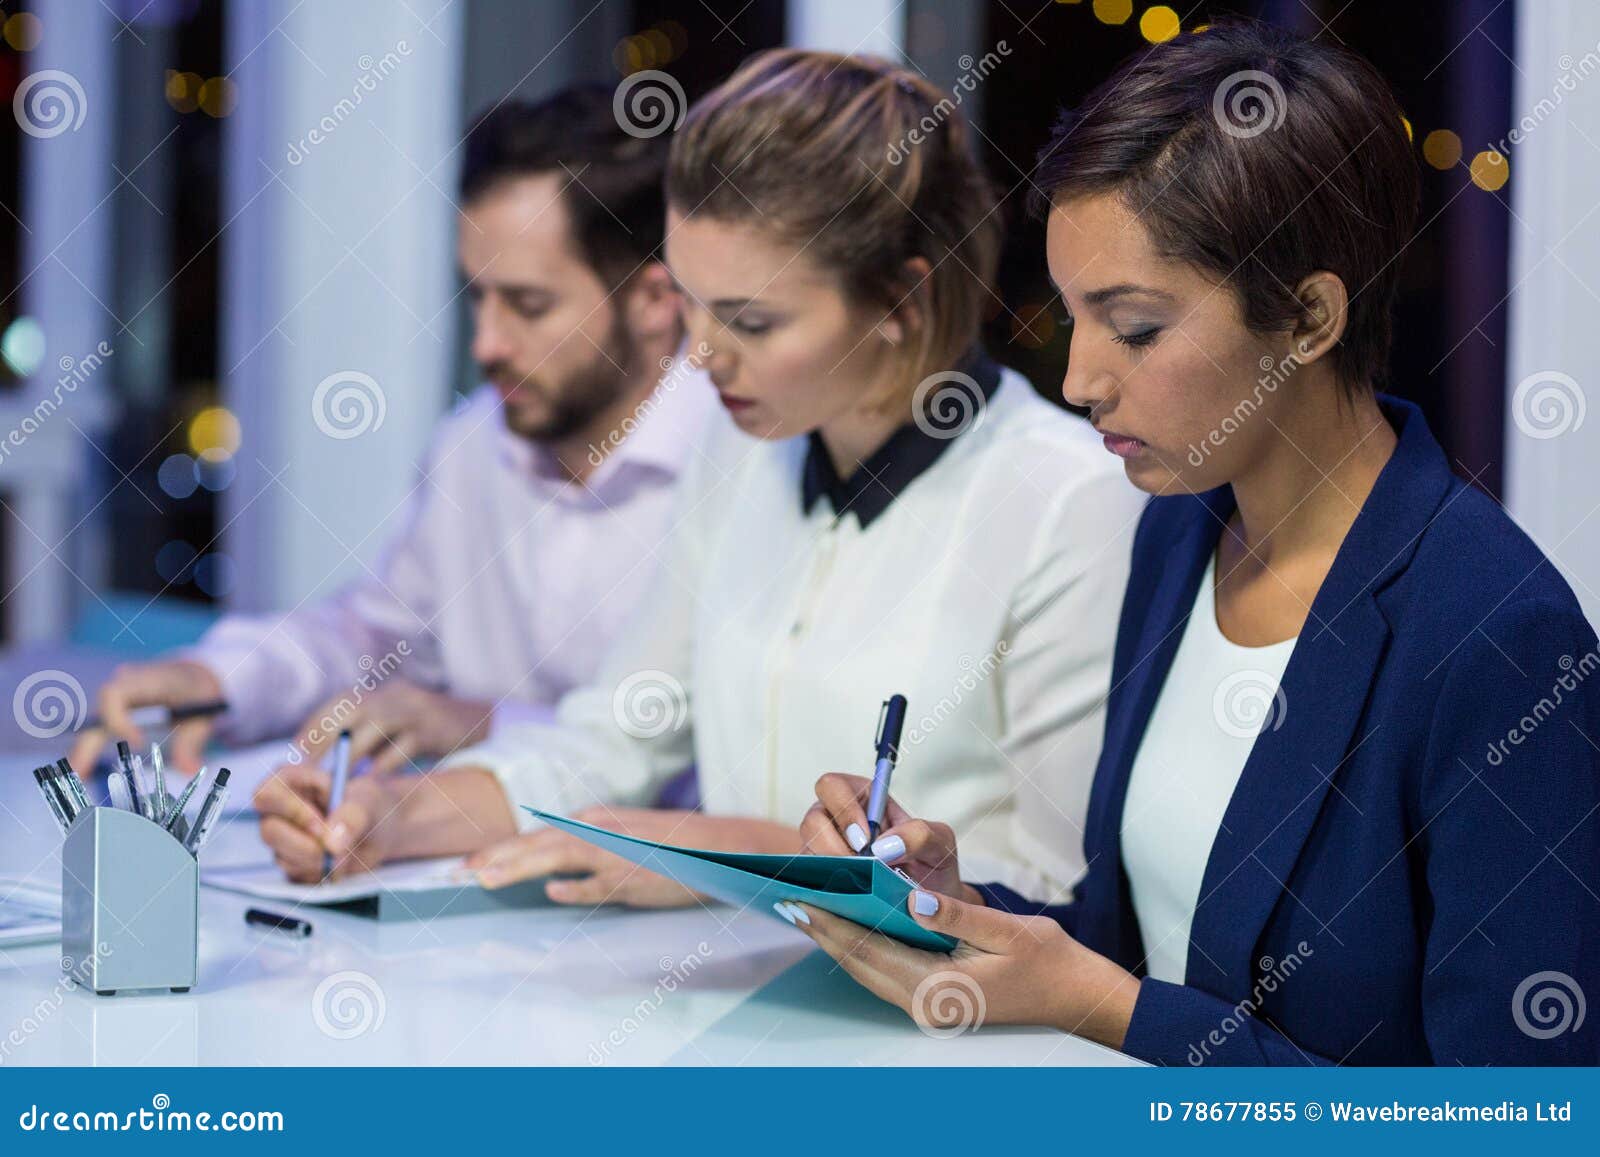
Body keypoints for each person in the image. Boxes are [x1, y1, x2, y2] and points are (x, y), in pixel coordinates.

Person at [791, 21, 1600, 1067]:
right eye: (1071, 316)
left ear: (1307, 318)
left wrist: (1108, 1008)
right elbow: (1152, 942)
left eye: (1133, 327)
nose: (1078, 379)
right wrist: (953, 903)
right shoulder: (1179, 531)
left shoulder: (1498, 635)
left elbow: (1521, 1120)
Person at [251, 50, 1142, 900]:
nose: (702, 354)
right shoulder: (741, 449)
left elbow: (1053, 894)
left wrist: (719, 853)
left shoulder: (1069, 500)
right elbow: (611, 739)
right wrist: (388, 816)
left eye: (750, 321)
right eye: (691, 303)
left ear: (900, 303)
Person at [68, 87, 712, 778]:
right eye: (478, 297)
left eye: (528, 305)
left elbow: (726, 763)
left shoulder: (740, 460)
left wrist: (480, 724)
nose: (487, 344)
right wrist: (219, 678)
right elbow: (373, 639)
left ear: (654, 301)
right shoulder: (473, 442)